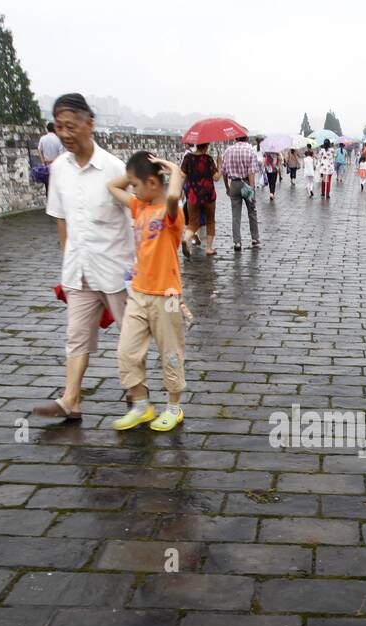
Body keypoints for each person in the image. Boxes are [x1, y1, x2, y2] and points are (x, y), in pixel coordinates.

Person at [33, 94, 132, 424]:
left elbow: (136, 220)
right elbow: (60, 217)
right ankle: (70, 400)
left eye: (70, 126)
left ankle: (137, 392)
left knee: (130, 336)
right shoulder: (59, 169)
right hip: (79, 270)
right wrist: (66, 258)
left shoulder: (114, 168)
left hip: (116, 269)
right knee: (76, 337)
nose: (64, 133)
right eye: (59, 127)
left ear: (90, 123)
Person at [106, 152, 188, 432]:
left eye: (137, 184)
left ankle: (174, 407)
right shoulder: (139, 207)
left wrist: (174, 170)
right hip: (139, 294)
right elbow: (112, 187)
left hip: (166, 297)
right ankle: (141, 406)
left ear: (152, 183)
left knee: (171, 353)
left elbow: (174, 197)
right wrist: (133, 174)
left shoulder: (170, 214)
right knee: (127, 352)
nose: (132, 189)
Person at [220, 135, 262, 251]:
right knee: (252, 211)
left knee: (236, 214)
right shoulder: (250, 151)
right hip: (247, 183)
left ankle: (237, 242)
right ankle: (254, 238)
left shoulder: (228, 151)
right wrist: (252, 189)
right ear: (247, 139)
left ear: (235, 138)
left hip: (234, 183)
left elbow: (224, 172)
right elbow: (251, 172)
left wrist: (227, 187)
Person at [179, 142, 219, 257]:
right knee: (210, 221)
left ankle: (186, 239)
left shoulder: (188, 158)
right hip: (208, 195)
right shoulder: (208, 159)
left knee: (193, 223)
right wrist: (220, 165)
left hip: (193, 196)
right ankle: (209, 248)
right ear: (206, 146)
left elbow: (182, 175)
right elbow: (216, 177)